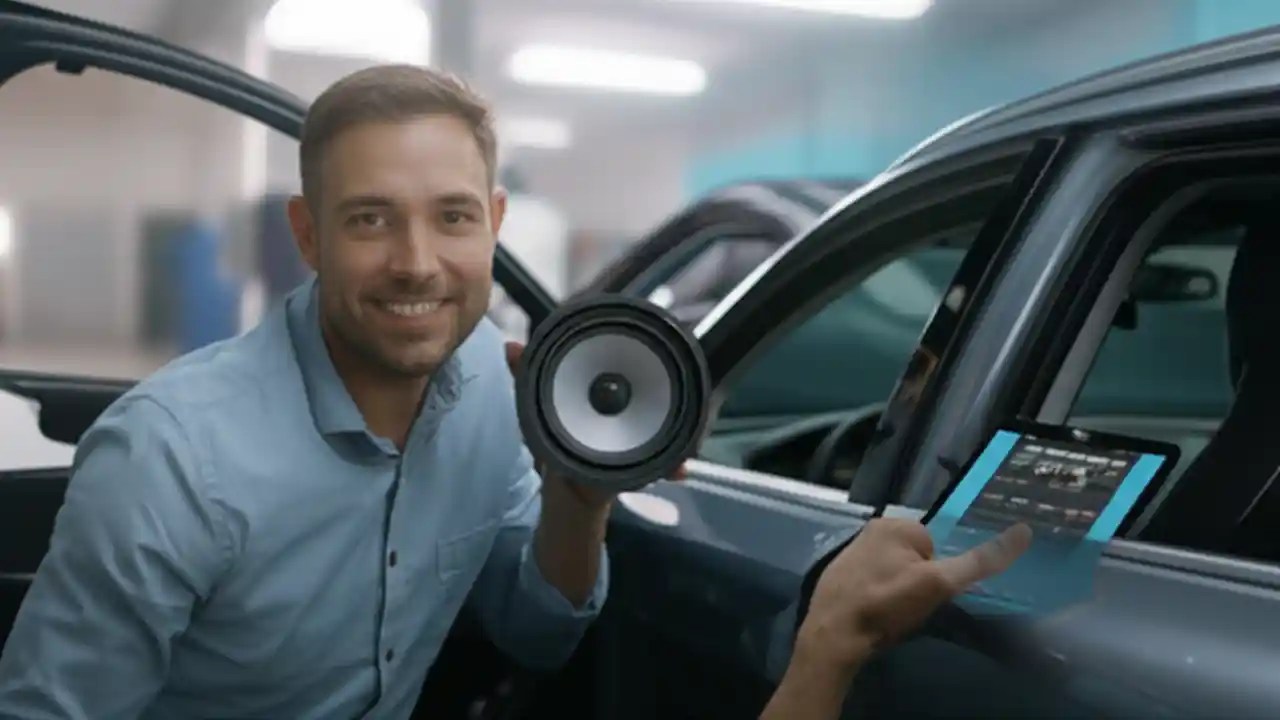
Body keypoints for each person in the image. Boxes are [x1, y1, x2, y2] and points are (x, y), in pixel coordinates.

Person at [0, 62, 1030, 720]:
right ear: (307, 235)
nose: (417, 262)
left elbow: (536, 635)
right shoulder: (172, 458)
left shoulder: (495, 397)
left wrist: (578, 504)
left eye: (452, 218)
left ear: (493, 223)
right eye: (369, 220)